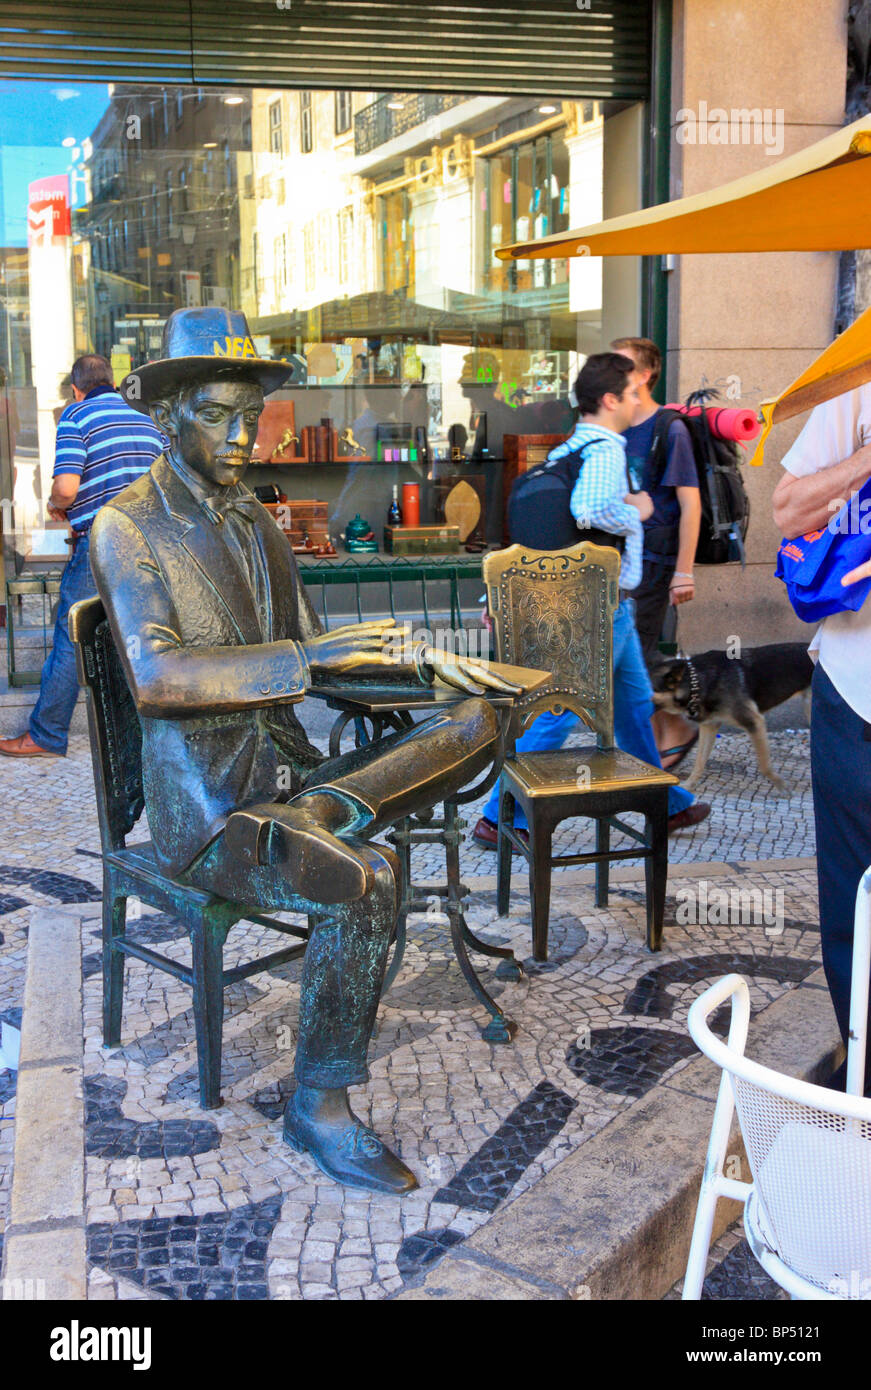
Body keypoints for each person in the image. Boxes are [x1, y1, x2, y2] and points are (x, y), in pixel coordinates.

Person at [90, 307, 535, 1193]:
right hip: (213, 813)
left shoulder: (256, 519)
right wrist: (311, 658)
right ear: (169, 415)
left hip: (292, 780)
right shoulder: (125, 526)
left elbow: (324, 667)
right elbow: (158, 678)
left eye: (250, 415)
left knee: (480, 721)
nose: (241, 434)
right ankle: (317, 1107)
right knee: (364, 880)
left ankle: (327, 812)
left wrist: (430, 675)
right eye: (218, 414)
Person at [473, 352, 710, 847]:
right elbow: (588, 510)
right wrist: (637, 510)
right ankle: (499, 816)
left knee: (634, 703)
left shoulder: (565, 453)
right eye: (631, 394)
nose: (636, 402)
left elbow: (546, 529)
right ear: (609, 400)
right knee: (560, 710)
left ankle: (663, 805)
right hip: (598, 606)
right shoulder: (606, 450)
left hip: (598, 604)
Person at [773, 385, 871, 1093]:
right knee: (851, 904)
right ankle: (862, 1075)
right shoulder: (860, 384)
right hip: (854, 683)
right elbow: (788, 509)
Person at [0, 354, 163, 758]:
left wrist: (57, 506)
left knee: (73, 637)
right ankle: (158, 738)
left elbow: (67, 488)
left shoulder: (76, 416)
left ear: (76, 388)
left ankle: (46, 734)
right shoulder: (147, 417)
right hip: (152, 542)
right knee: (148, 637)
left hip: (104, 542)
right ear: (113, 381)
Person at [611, 337, 702, 770]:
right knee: (631, 649)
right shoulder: (616, 423)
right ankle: (666, 730)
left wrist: (684, 572)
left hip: (654, 560)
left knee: (638, 648)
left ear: (646, 374)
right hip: (620, 557)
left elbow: (691, 504)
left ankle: (676, 727)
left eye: (623, 365)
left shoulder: (670, 429)